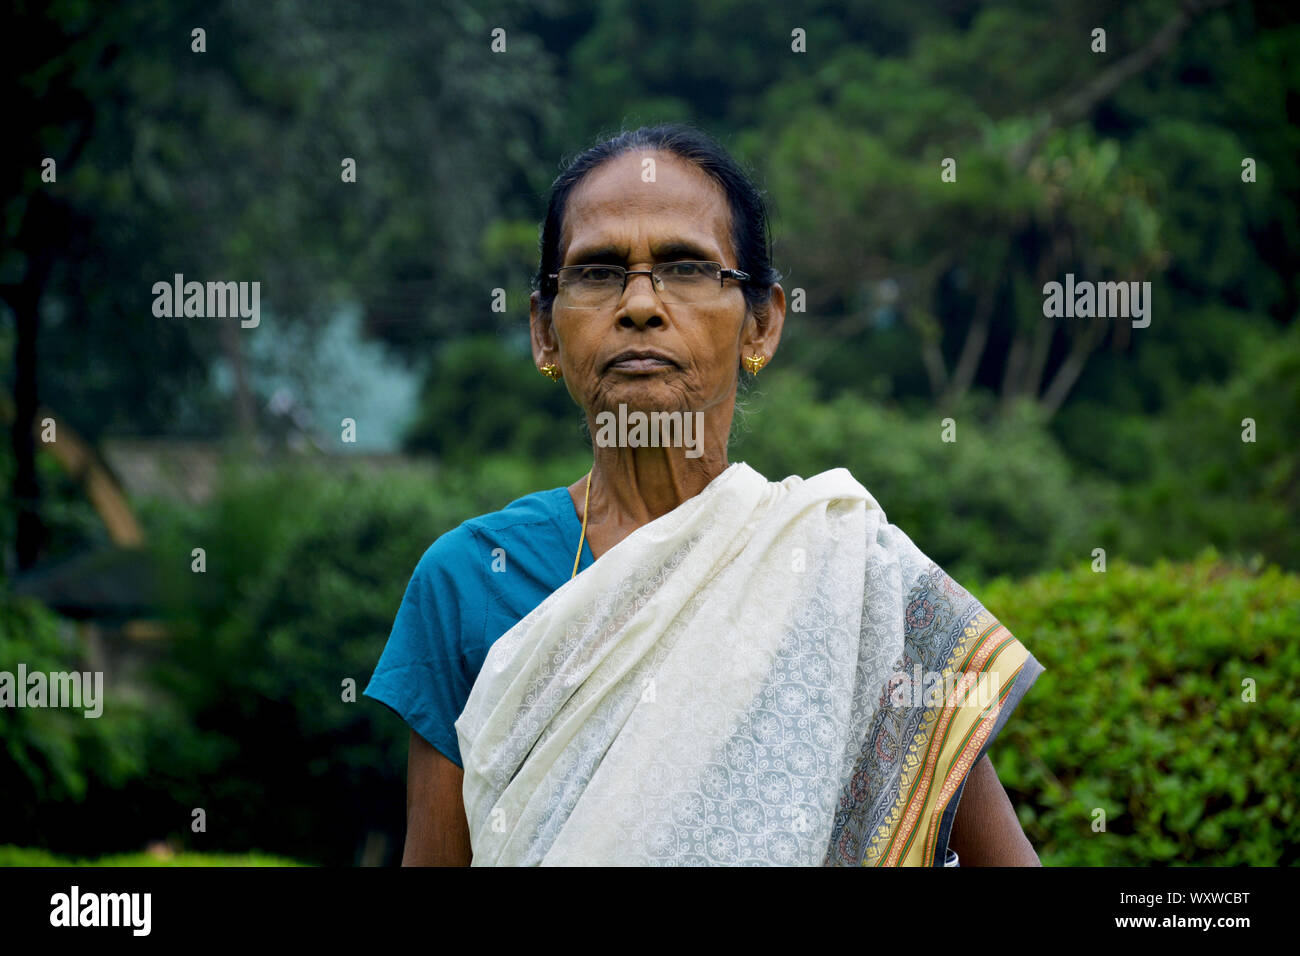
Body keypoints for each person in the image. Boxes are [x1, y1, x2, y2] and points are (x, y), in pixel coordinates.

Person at [364, 122, 1044, 866]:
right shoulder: (467, 580)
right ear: (543, 332)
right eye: (596, 272)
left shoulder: (852, 580)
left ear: (763, 322)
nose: (640, 305)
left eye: (687, 269)